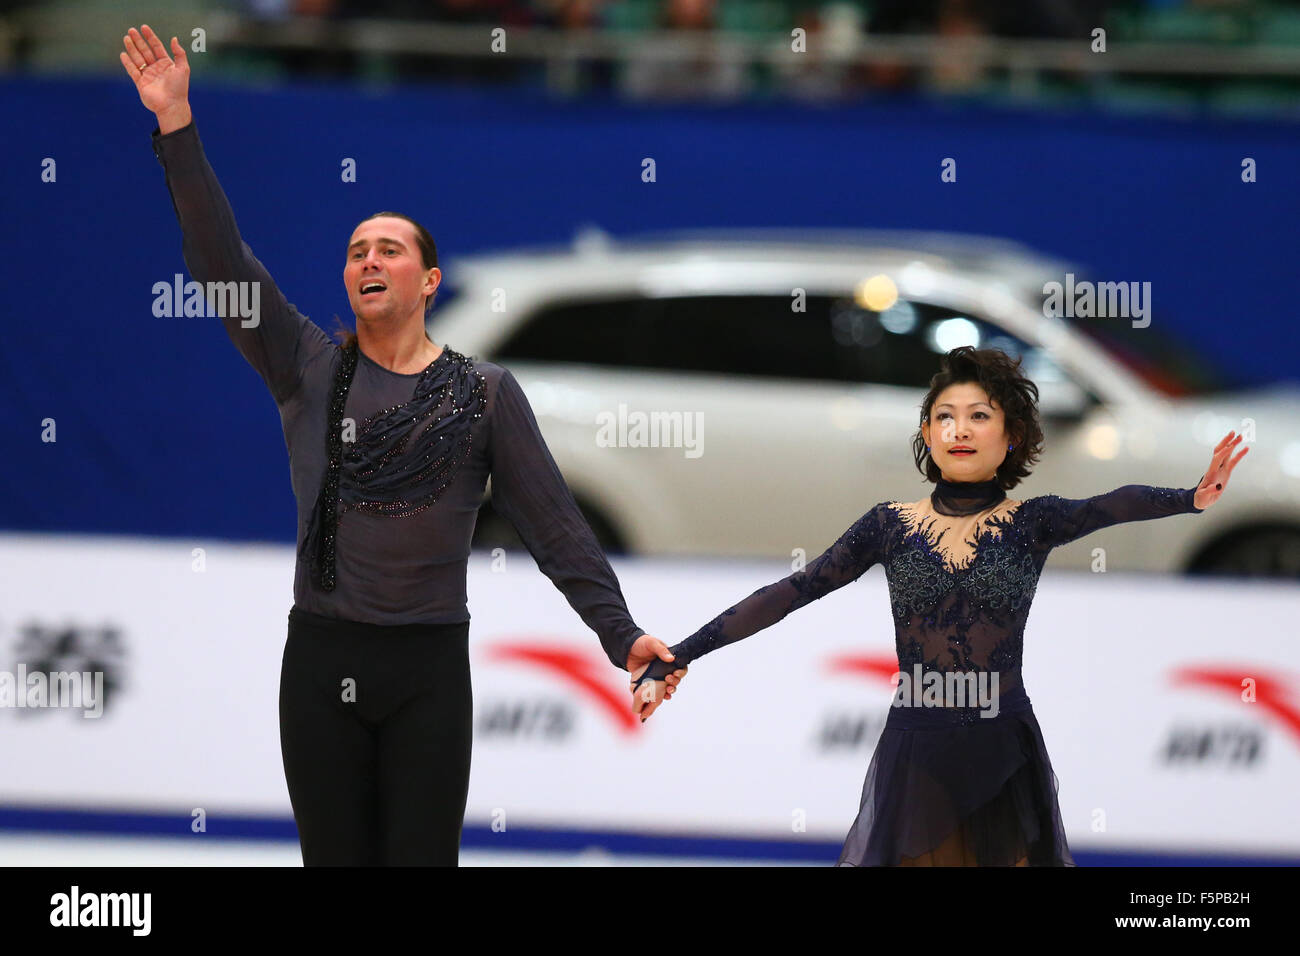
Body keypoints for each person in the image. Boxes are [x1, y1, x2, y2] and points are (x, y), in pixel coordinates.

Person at [121, 24, 687, 866]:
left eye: (389, 248)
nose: (367, 259)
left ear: (427, 281)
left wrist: (621, 633)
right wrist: (176, 127)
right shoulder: (305, 366)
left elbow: (557, 527)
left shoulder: (485, 393)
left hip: (427, 674)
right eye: (355, 252)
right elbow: (218, 261)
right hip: (320, 664)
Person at [632, 345, 1247, 866]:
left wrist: (1191, 497)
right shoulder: (889, 526)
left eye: (979, 415)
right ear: (927, 434)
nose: (959, 429)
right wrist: (681, 654)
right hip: (918, 748)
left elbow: (1112, 504)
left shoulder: (1033, 521)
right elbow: (791, 593)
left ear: (1011, 438)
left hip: (1002, 746)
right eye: (944, 416)